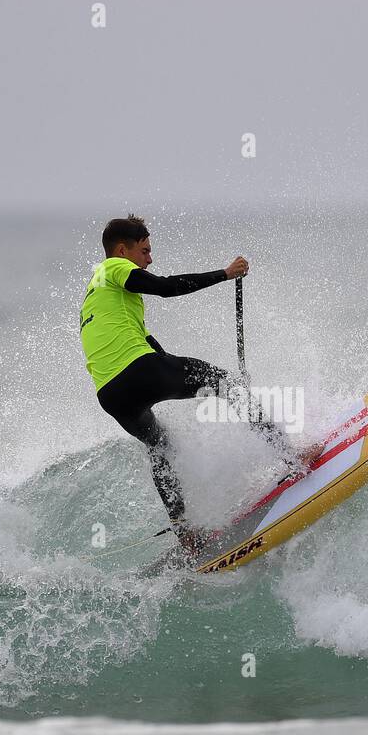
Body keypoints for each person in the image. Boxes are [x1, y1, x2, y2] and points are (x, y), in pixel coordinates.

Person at [80, 214, 316, 556]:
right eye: (144, 250)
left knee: (160, 447)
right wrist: (225, 274)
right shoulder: (113, 269)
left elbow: (152, 349)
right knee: (227, 384)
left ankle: (185, 533)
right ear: (121, 249)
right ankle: (291, 457)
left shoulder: (98, 295)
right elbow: (165, 288)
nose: (150, 259)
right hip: (137, 371)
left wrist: (183, 377)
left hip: (112, 395)